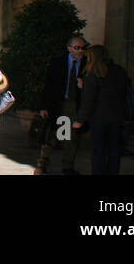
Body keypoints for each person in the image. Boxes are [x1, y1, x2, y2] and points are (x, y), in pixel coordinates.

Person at [36, 34, 88, 175]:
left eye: (83, 48)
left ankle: (67, 166)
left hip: (74, 104)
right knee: (52, 134)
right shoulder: (58, 62)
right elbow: (48, 84)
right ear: (69, 48)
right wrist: (43, 106)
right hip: (58, 103)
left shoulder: (87, 64)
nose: (80, 51)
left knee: (71, 136)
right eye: (77, 48)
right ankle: (42, 163)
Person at [76, 45, 129, 175]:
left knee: (98, 150)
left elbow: (89, 100)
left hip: (99, 118)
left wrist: (79, 120)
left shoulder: (93, 74)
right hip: (116, 116)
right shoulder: (118, 71)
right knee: (114, 150)